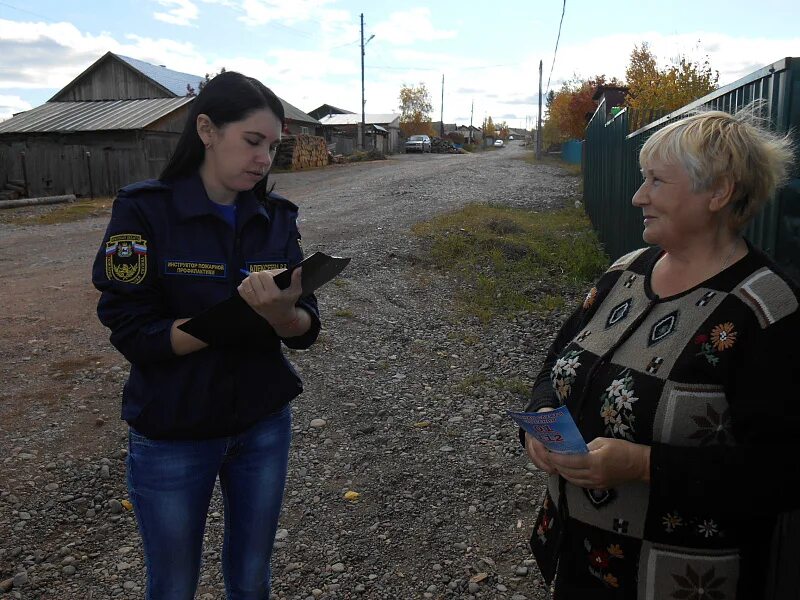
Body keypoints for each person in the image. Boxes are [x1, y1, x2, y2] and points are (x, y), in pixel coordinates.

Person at [521, 106, 799, 599]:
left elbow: (780, 472)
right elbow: (558, 363)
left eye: (656, 181)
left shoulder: (766, 311)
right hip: (581, 562)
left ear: (719, 192)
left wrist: (643, 465)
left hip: (678, 581)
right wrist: (541, 417)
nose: (637, 196)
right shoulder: (624, 271)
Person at [92, 71, 320, 600]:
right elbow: (132, 331)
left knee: (251, 578)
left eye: (273, 146)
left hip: (262, 426)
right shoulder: (145, 211)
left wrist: (285, 317)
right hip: (174, 429)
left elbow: (305, 327)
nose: (264, 158)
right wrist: (235, 320)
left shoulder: (276, 218)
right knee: (172, 586)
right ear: (206, 129)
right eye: (253, 141)